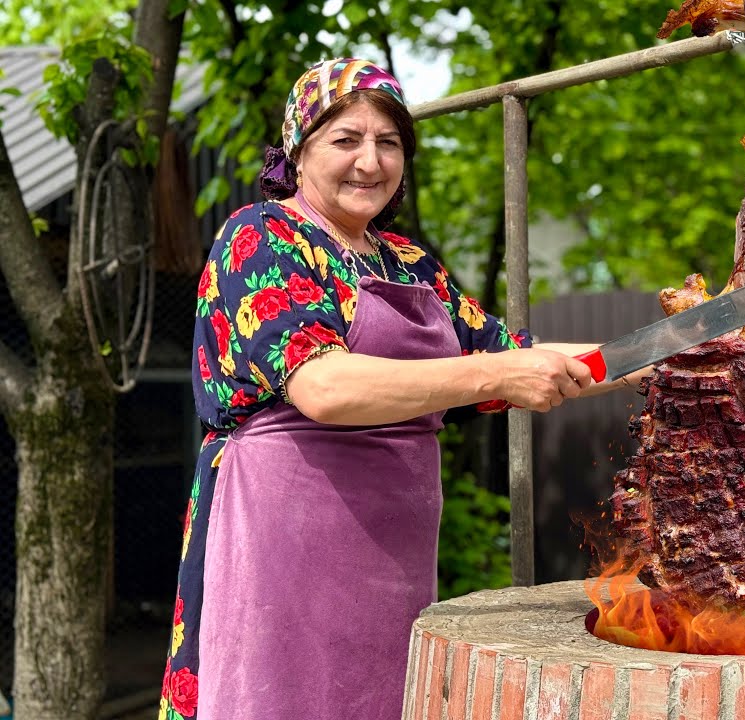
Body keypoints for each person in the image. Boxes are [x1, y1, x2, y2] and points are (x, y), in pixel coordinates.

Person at [161, 58, 640, 720]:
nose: (370, 161)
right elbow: (323, 386)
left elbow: (517, 357)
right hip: (286, 540)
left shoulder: (408, 263)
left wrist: (664, 356)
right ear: (300, 151)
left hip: (394, 548)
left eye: (388, 143)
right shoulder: (262, 236)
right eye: (346, 140)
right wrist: (495, 373)